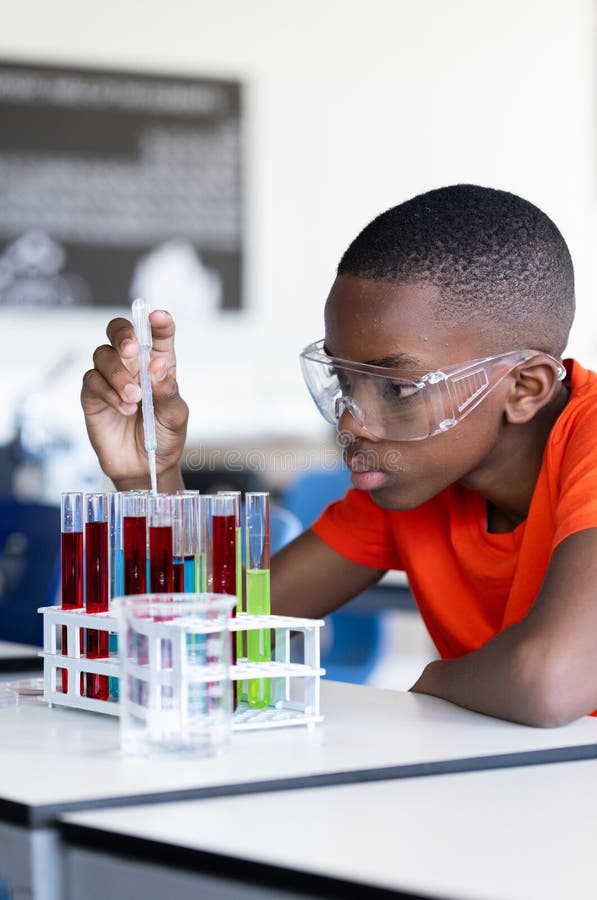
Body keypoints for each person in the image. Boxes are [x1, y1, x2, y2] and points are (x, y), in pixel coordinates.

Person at [81, 184, 597, 727]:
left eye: (397, 389)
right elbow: (216, 634)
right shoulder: (416, 483)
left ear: (525, 388)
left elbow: (548, 683)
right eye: (343, 380)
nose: (350, 421)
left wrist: (436, 682)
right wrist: (152, 473)